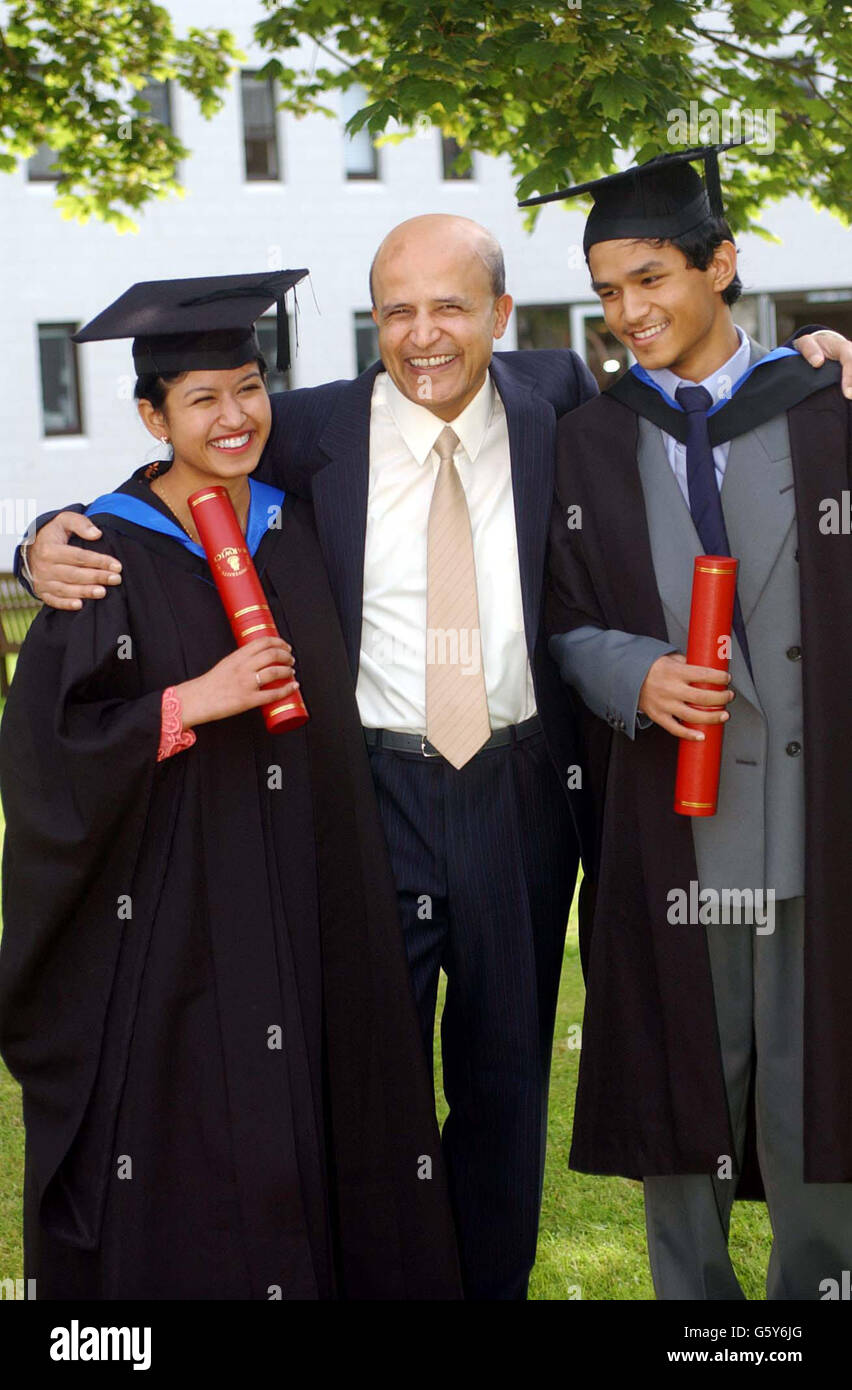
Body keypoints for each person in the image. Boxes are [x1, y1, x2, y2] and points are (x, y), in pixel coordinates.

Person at [17, 216, 852, 1301]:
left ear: (501, 317)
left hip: (519, 793)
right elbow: (179, 469)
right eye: (397, 311)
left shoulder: (565, 401)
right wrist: (39, 537)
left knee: (506, 1085)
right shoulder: (309, 432)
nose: (422, 335)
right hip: (367, 797)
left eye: (451, 306)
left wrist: (809, 355)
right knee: (368, 1075)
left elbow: (703, 390)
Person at [0, 271, 461, 1301]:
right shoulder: (104, 554)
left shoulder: (303, 523)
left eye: (249, 389)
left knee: (331, 1102)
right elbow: (45, 752)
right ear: (150, 416)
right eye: (201, 398)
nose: (234, 416)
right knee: (194, 1120)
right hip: (176, 906)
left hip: (313, 883)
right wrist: (192, 700)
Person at [541, 145, 852, 1298]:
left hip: (817, 816)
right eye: (608, 289)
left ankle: (816, 1294)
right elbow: (563, 621)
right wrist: (636, 674)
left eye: (652, 277)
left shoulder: (831, 411)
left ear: (722, 265)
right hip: (676, 823)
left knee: (815, 1077)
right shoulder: (588, 437)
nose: (628, 311)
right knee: (686, 1073)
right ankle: (694, 1310)